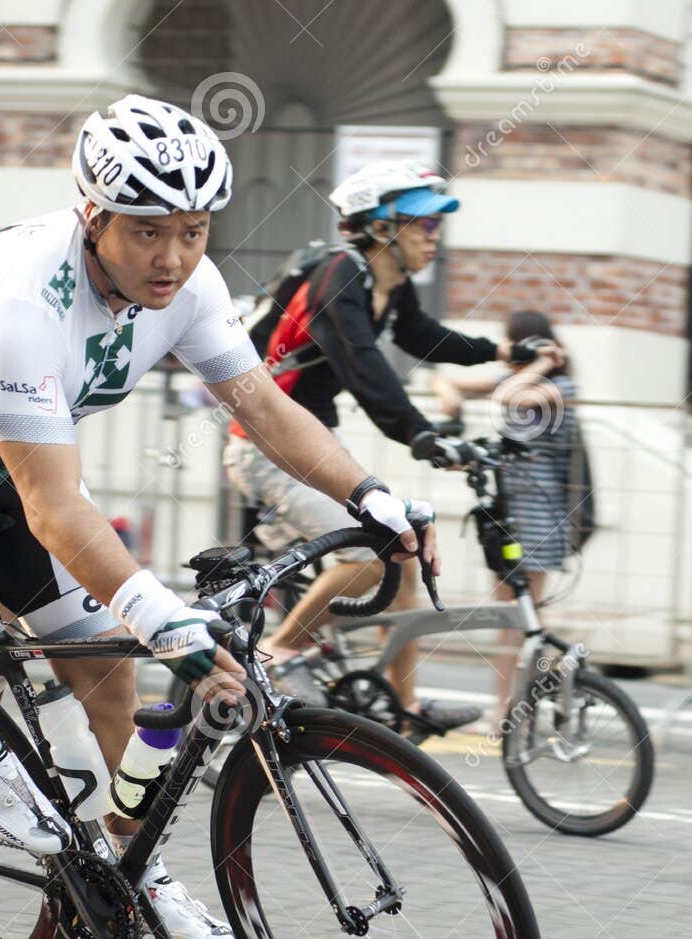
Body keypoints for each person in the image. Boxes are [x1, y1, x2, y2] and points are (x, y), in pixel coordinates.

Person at [0, 95, 441, 939]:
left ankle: (130, 865)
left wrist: (372, 495)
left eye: (193, 230)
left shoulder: (192, 288)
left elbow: (261, 405)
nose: (174, 257)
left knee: (110, 677)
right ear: (94, 216)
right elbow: (55, 505)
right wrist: (159, 612)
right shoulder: (23, 296)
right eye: (149, 231)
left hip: (0, 465)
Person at [224, 161, 549, 730]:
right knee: (371, 556)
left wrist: (501, 353)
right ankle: (280, 652)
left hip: (311, 447)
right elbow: (365, 370)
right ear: (380, 228)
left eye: (436, 225)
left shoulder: (384, 287)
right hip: (262, 447)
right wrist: (420, 434)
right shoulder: (338, 280)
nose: (434, 236)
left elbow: (423, 337)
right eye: (422, 224)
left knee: (403, 557)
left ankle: (406, 710)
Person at [430, 310, 579, 728]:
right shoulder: (515, 381)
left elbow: (512, 398)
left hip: (542, 516)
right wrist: (451, 400)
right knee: (509, 619)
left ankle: (533, 699)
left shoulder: (560, 387)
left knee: (528, 615)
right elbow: (444, 379)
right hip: (507, 513)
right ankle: (509, 706)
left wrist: (545, 363)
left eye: (516, 343)